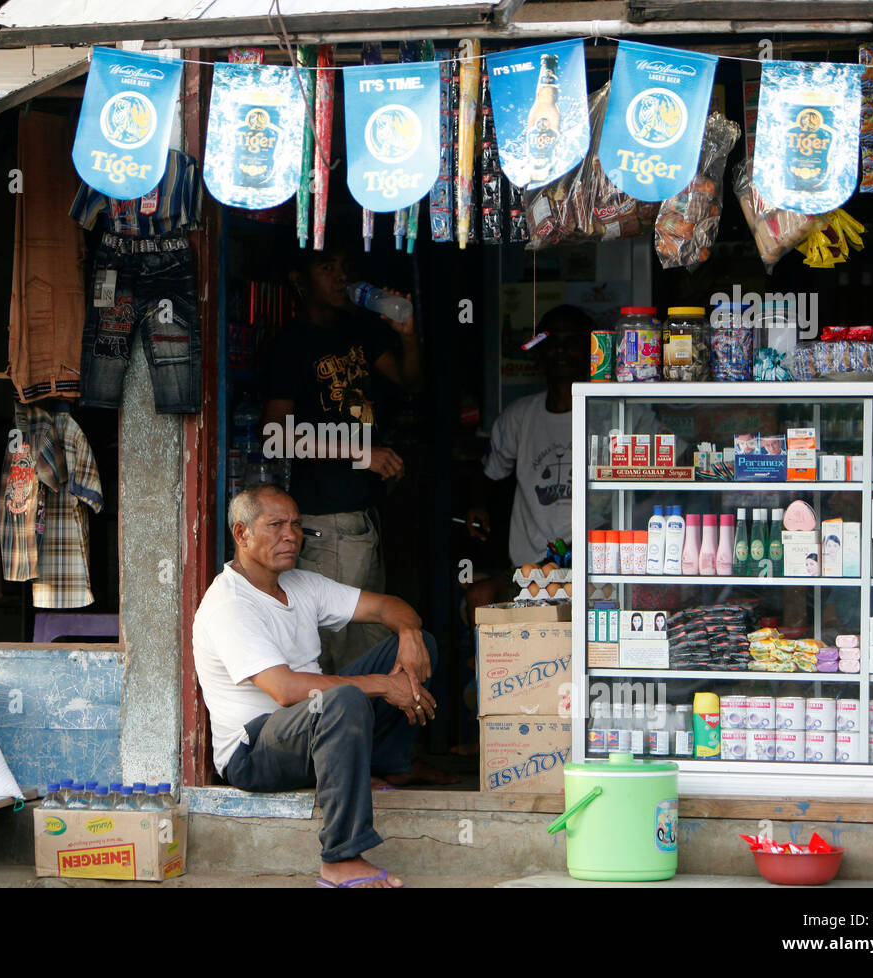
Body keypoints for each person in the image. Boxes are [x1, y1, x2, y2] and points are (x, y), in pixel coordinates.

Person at [194, 484, 443, 888]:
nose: (291, 535)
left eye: (296, 525)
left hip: (311, 728)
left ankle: (384, 764)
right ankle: (340, 859)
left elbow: (387, 606)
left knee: (418, 646)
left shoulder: (302, 584)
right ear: (242, 534)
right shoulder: (229, 603)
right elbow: (286, 690)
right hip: (255, 750)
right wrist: (382, 684)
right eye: (275, 525)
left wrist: (410, 632)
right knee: (341, 699)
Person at [263, 245, 425, 672]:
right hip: (326, 522)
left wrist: (407, 334)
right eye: (326, 266)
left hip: (362, 518)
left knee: (370, 647)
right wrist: (360, 454)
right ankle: (326, 733)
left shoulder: (359, 331)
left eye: (343, 266)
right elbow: (275, 435)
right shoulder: (291, 345)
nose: (339, 277)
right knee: (328, 651)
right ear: (300, 280)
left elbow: (410, 381)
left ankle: (365, 734)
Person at [463, 305, 594, 611]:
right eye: (551, 342)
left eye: (570, 342)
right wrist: (478, 505)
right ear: (538, 352)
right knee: (478, 598)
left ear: (590, 350)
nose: (560, 351)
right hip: (530, 568)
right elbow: (490, 473)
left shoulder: (609, 410)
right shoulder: (520, 417)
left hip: (592, 564)